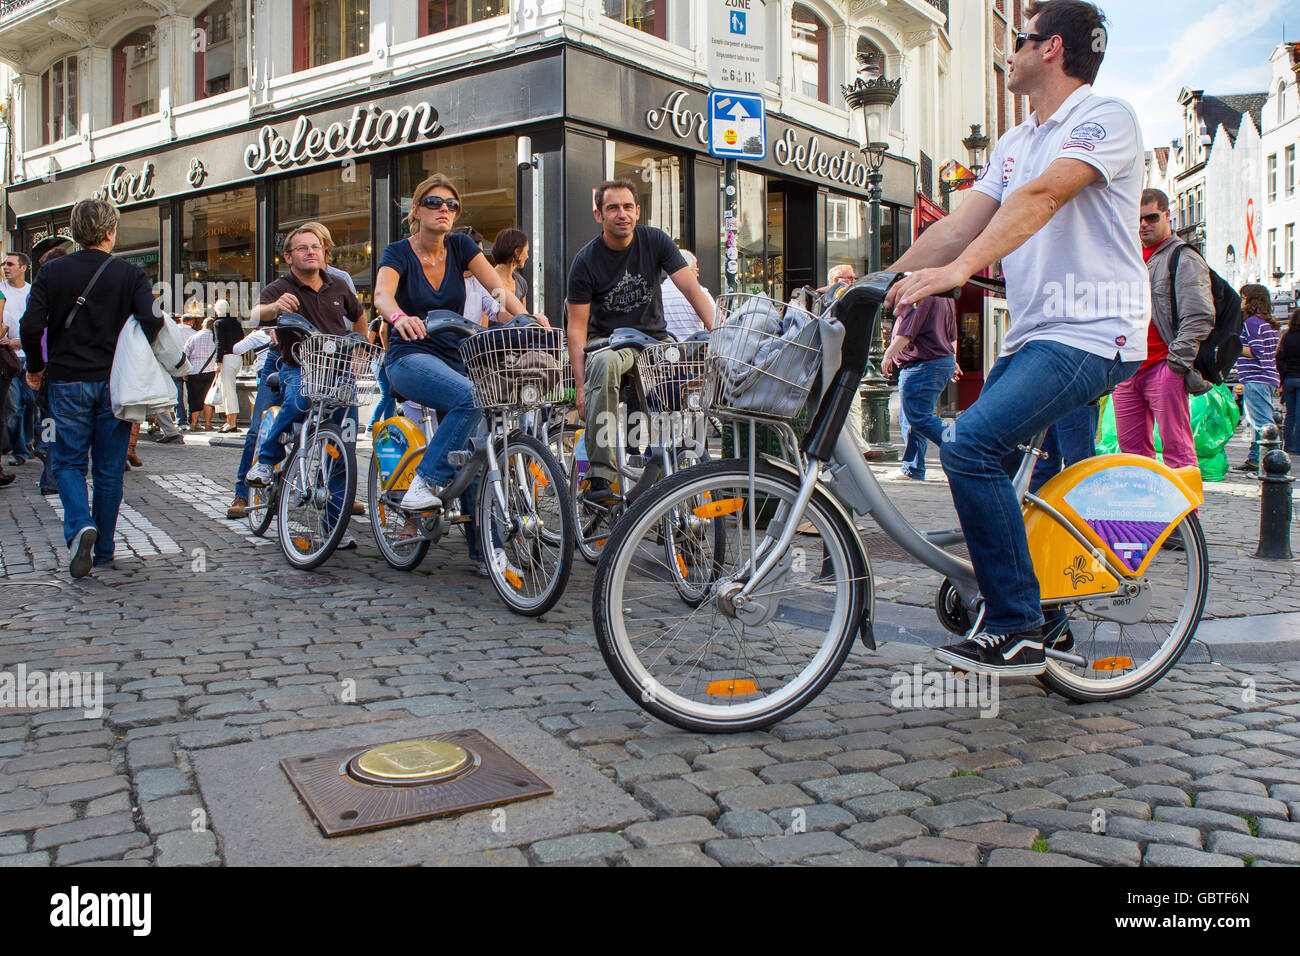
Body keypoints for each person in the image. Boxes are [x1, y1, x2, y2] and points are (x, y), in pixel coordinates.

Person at [883, 0, 1146, 676]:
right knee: (991, 468)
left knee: (969, 445)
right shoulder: (1012, 144)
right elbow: (953, 227)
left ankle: (1016, 624)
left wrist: (961, 271)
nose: (1009, 54)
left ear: (1051, 48)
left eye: (1019, 42)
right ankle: (1049, 616)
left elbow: (1045, 197)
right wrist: (874, 283)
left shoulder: (1102, 118)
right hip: (1035, 335)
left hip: (1093, 331)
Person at [20, 198, 163, 577]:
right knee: (109, 469)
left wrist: (35, 368)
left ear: (75, 232)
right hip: (116, 384)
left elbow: (30, 327)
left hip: (67, 381)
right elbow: (152, 321)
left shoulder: (51, 272)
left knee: (66, 461)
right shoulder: (129, 274)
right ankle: (103, 550)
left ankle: (79, 523)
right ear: (110, 231)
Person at [375, 174, 530, 519]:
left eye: (451, 204)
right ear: (416, 210)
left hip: (455, 360)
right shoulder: (398, 252)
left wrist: (527, 320)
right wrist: (399, 316)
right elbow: (382, 295)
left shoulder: (461, 247)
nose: (443, 209)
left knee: (474, 452)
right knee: (471, 396)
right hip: (410, 356)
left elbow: (498, 291)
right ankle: (423, 484)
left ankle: (485, 553)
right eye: (433, 202)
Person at [566, 179, 714, 503]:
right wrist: (580, 387)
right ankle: (600, 477)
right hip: (609, 341)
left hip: (653, 340)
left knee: (675, 398)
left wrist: (716, 330)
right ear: (599, 215)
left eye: (628, 207)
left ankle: (659, 486)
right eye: (613, 208)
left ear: (637, 211)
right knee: (604, 363)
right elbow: (576, 328)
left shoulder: (655, 241)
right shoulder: (586, 261)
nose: (622, 214)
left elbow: (691, 288)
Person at [243, 226, 367, 489]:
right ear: (288, 257)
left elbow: (359, 315)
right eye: (302, 248)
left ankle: (338, 506)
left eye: (315, 247)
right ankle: (265, 461)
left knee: (346, 433)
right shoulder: (280, 287)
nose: (311, 252)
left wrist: (359, 349)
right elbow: (254, 314)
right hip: (298, 366)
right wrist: (275, 308)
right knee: (300, 399)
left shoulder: (339, 284)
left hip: (338, 369)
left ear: (323, 251)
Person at [1110, 188, 1213, 471]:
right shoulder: (1129, 256)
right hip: (1128, 366)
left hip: (1162, 366)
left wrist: (1176, 363)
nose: (1143, 224)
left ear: (1168, 216)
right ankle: (1145, 515)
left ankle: (1187, 517)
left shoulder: (1183, 257)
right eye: (1138, 218)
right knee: (1132, 456)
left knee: (1177, 451)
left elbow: (1199, 316)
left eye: (1151, 217)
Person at [879, 295, 959, 481]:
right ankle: (913, 468)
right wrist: (953, 360)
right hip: (938, 362)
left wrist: (888, 355)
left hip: (923, 365)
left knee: (919, 417)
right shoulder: (945, 297)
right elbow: (952, 335)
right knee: (910, 418)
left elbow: (907, 333)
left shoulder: (921, 296)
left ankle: (961, 444)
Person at [1232, 284, 1280, 471]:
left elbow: (1256, 351)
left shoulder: (1251, 323)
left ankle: (1270, 465)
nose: (1239, 301)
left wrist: (1233, 346)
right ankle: (1256, 460)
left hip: (1256, 377)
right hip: (1266, 377)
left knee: (1262, 424)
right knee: (1257, 423)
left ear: (1250, 300)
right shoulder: (1266, 323)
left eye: (1242, 297)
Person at [3, 253, 35, 467]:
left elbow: (38, 324)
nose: (6, 267)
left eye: (10, 264)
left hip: (30, 354)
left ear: (23, 267)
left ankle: (29, 441)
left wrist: (21, 342)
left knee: (32, 402)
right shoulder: (0, 290)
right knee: (13, 405)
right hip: (6, 357)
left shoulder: (33, 292)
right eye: (4, 264)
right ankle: (19, 449)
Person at [661, 249, 713, 341]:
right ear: (686, 269)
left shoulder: (658, 292)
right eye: (695, 269)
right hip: (693, 351)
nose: (697, 274)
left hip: (664, 351)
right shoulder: (700, 292)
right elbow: (716, 325)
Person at [211, 299, 243, 433]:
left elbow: (220, 343)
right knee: (228, 391)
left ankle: (232, 423)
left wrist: (218, 362)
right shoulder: (235, 322)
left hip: (227, 358)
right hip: (237, 358)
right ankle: (229, 421)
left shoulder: (218, 323)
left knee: (228, 392)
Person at [182, 315, 218, 431]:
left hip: (194, 371)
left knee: (194, 398)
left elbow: (185, 355)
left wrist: (184, 372)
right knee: (208, 398)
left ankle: (193, 424)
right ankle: (208, 424)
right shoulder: (216, 338)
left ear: (203, 325)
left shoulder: (193, 337)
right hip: (211, 371)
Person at [491, 228, 532, 311]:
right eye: (526, 251)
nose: (527, 256)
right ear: (517, 252)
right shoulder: (487, 280)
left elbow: (523, 319)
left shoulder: (521, 283)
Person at [1280, 307, 1300, 456]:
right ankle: (1298, 446)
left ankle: (1288, 446)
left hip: (1289, 379)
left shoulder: (1287, 337)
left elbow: (1280, 357)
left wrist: (1283, 376)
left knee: (1290, 415)